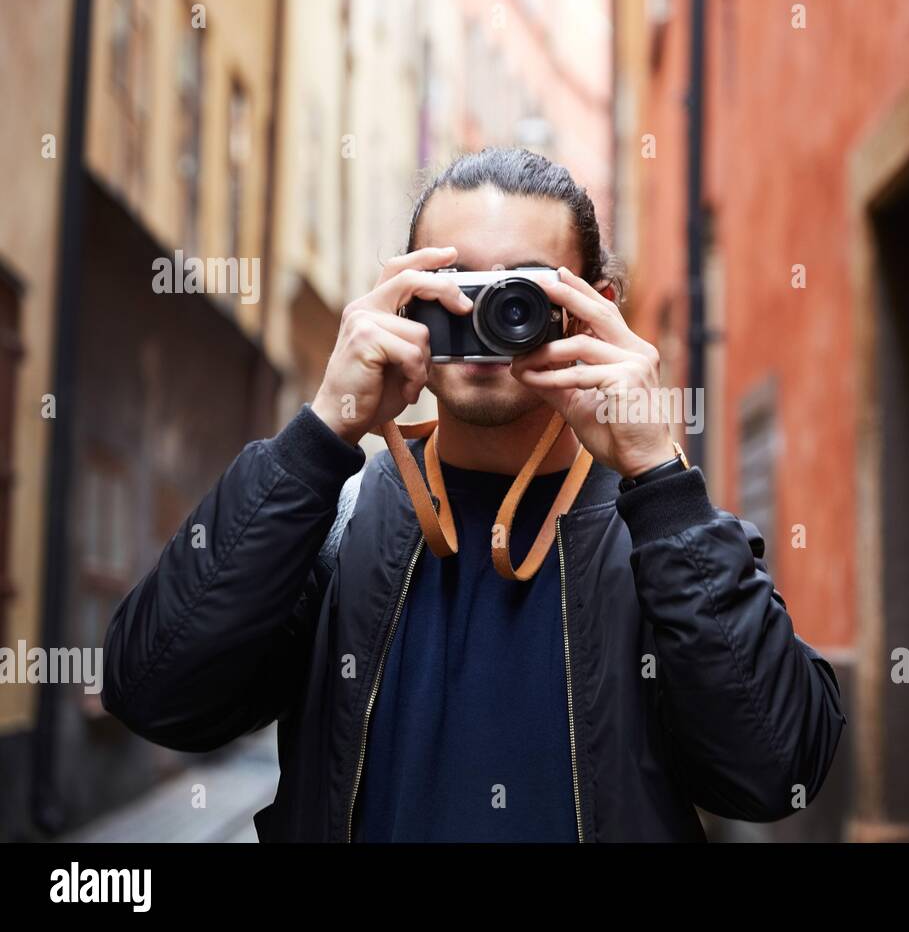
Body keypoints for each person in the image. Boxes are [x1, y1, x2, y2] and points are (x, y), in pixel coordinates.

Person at [103, 147, 846, 842]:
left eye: (518, 293)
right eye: (457, 291)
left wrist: (658, 479)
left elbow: (776, 776)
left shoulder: (661, 532)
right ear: (402, 300)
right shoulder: (335, 519)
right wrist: (321, 431)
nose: (486, 324)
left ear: (597, 306)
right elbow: (155, 693)